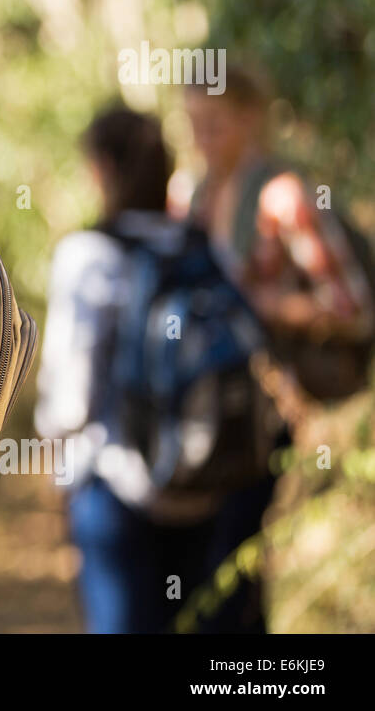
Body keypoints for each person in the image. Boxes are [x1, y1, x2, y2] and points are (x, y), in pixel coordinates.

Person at [36, 105, 277, 633]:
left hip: (115, 493)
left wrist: (53, 459)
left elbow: (70, 405)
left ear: (101, 168)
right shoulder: (195, 242)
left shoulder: (86, 254)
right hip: (203, 483)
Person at [178, 67, 374, 429]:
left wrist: (267, 305)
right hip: (221, 401)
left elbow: (354, 312)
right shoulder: (193, 199)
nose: (202, 140)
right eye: (194, 126)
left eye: (214, 125)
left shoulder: (284, 195)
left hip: (293, 396)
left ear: (248, 118)